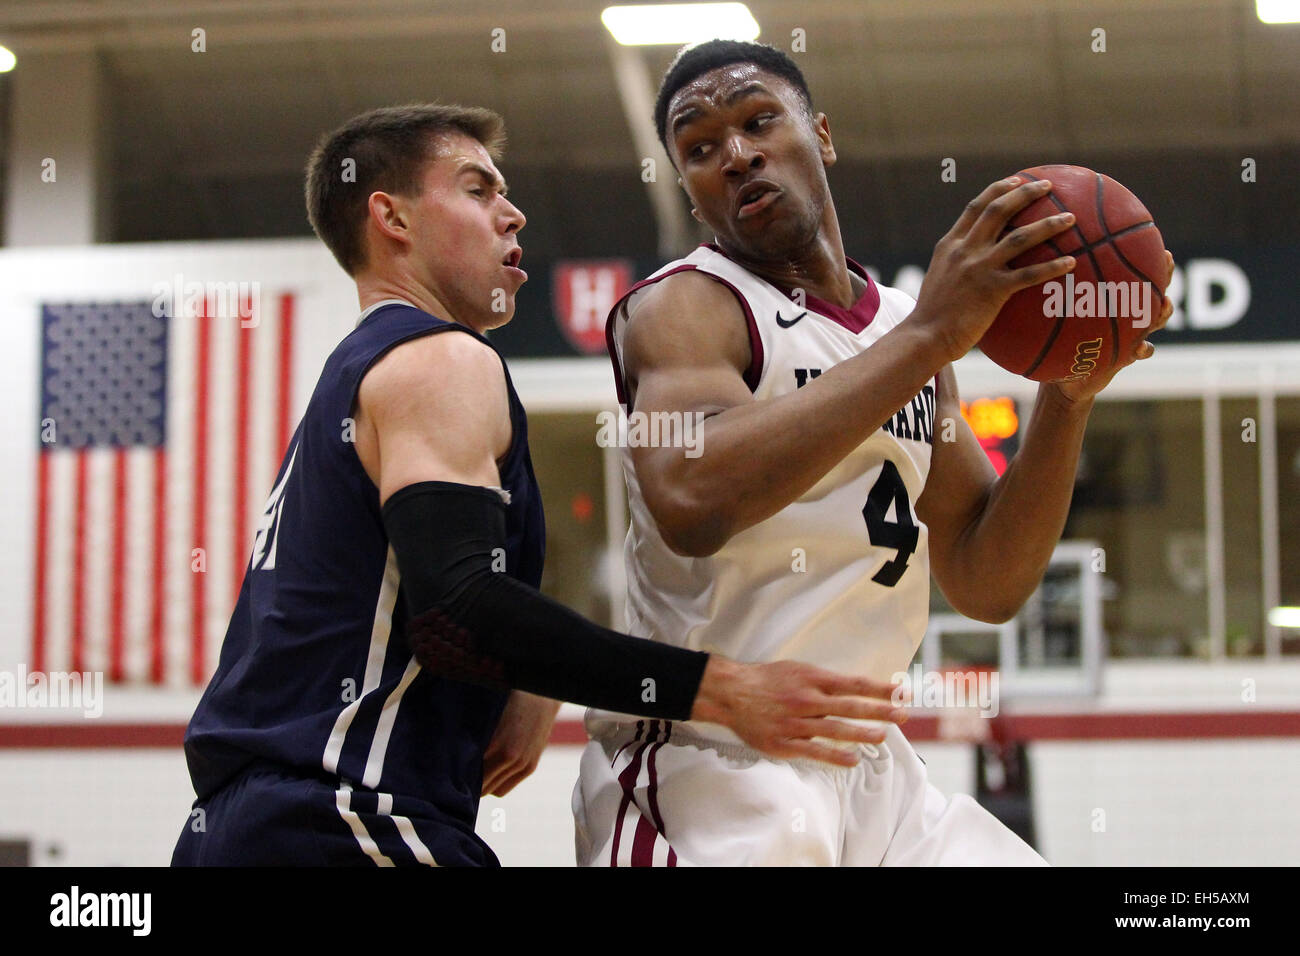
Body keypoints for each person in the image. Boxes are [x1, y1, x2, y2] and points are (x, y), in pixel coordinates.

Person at [171, 103, 906, 867]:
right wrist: (723, 691)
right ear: (391, 218)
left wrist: (528, 679)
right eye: (479, 190)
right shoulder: (440, 360)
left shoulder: (360, 373)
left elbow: (436, 607)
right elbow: (462, 607)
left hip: (252, 824)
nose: (513, 213)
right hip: (341, 816)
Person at [573, 40, 1174, 866]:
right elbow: (689, 499)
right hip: (711, 756)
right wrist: (932, 335)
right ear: (686, 183)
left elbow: (986, 580)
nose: (736, 154)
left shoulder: (903, 328)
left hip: (868, 762)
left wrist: (1066, 401)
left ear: (820, 135)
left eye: (757, 121)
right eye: (700, 147)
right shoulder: (681, 308)